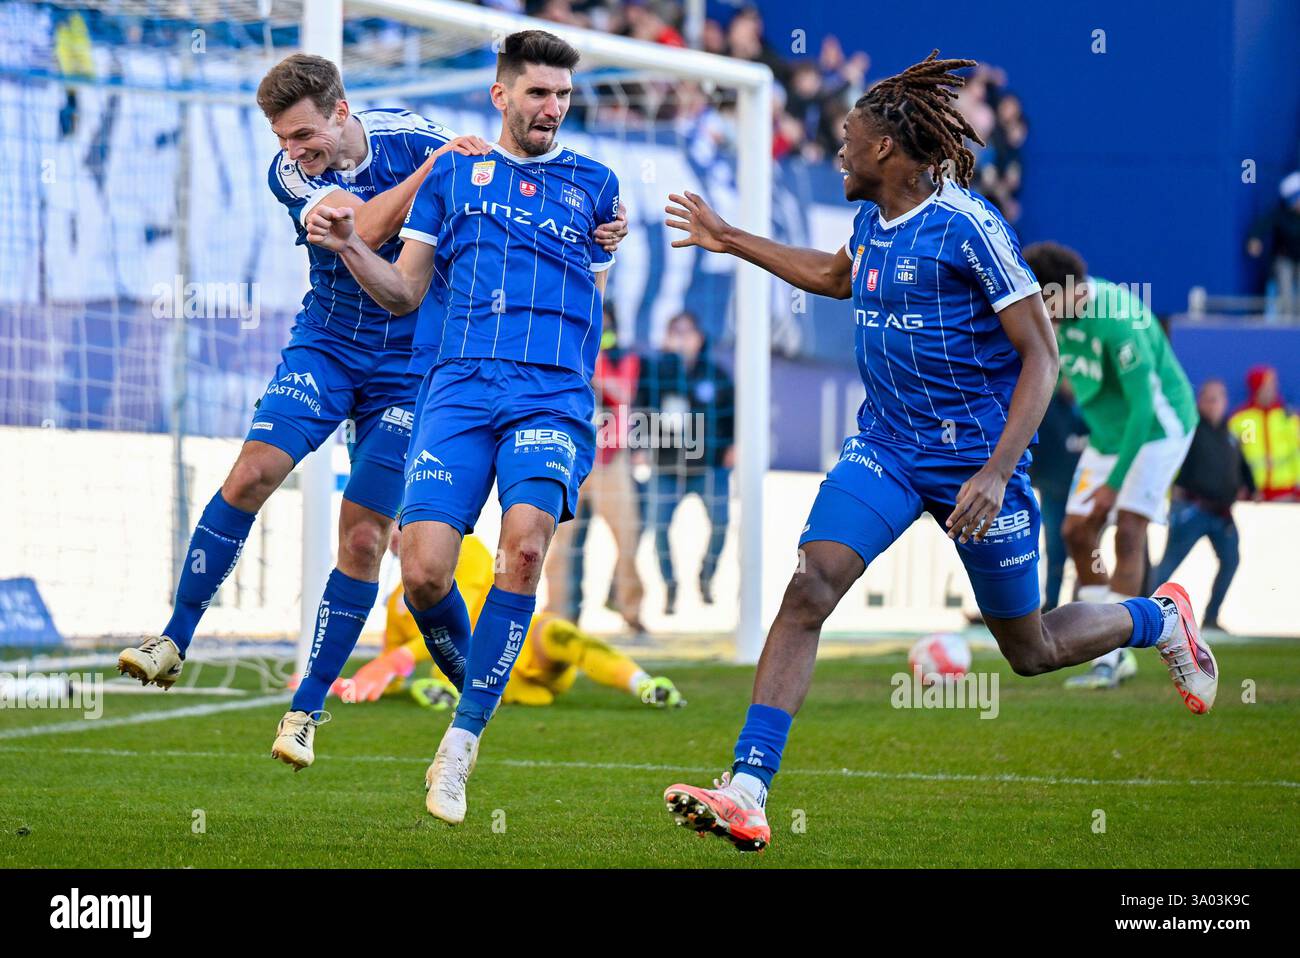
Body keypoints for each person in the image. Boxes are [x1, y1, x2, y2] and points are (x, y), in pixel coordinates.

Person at [657, 52, 1218, 852]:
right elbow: (837, 274)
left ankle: (1158, 618)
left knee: (1031, 649)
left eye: (848, 137)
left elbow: (1043, 355)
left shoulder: (968, 225)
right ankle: (747, 787)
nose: (838, 149)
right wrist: (730, 239)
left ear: (886, 149)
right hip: (885, 446)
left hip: (974, 467)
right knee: (811, 584)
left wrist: (995, 473)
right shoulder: (869, 218)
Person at [114, 53, 490, 759]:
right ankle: (173, 638)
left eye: (305, 134)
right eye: (284, 138)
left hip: (409, 370)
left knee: (362, 540)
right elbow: (364, 231)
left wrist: (600, 225)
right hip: (328, 345)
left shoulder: (415, 137)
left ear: (342, 112)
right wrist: (433, 170)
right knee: (252, 473)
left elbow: (499, 193)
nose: (295, 151)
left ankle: (306, 712)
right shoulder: (295, 175)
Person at [308, 30, 622, 825]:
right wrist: (350, 248)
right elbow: (405, 292)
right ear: (501, 96)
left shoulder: (598, 185)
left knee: (524, 545)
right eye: (537, 93)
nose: (552, 107)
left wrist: (608, 235)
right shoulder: (451, 174)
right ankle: (478, 679)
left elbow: (588, 295)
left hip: (550, 395)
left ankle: (460, 742)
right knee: (421, 575)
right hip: (455, 391)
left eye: (562, 94)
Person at [1022, 242, 1199, 691]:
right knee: (1076, 532)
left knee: (1128, 529)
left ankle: (1112, 655)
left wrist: (1114, 484)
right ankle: (1107, 633)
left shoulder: (1120, 318)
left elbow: (1143, 408)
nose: (1044, 310)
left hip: (1159, 429)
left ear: (1070, 290)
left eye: (1049, 300)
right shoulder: (1052, 312)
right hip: (1106, 435)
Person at [336, 531, 682, 708]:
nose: (396, 537)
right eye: (392, 527)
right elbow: (388, 675)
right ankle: (453, 693)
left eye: (402, 522)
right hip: (493, 675)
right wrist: (348, 684)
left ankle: (645, 684)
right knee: (455, 665)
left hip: (522, 641)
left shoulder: (466, 550)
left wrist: (403, 657)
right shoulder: (398, 601)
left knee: (560, 633)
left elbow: (463, 609)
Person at [542, 301, 646, 631]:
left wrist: (595, 360)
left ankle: (631, 610)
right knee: (559, 543)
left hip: (611, 461)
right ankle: (556, 612)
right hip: (570, 457)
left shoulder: (623, 358)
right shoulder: (562, 348)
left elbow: (622, 392)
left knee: (628, 537)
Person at [638, 310, 735, 614]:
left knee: (721, 524)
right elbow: (641, 409)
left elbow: (732, 413)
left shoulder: (716, 374)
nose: (681, 338)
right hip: (666, 465)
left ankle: (706, 577)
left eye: (687, 331)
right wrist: (640, 447)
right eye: (674, 331)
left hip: (708, 465)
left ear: (700, 337)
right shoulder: (655, 371)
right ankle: (670, 587)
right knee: (659, 527)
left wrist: (732, 445)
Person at [1150, 380, 1255, 633]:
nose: (1215, 404)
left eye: (1219, 398)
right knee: (1169, 563)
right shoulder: (1190, 429)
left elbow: (1241, 466)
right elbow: (1166, 458)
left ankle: (1211, 617)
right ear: (1200, 401)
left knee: (1231, 560)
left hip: (1221, 513)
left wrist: (1250, 485)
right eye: (1209, 398)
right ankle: (1141, 613)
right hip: (1191, 509)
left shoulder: (1229, 435)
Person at [1029, 378, 1088, 611]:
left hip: (1082, 493)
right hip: (1054, 491)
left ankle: (1085, 602)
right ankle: (1050, 603)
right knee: (1054, 549)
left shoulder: (1086, 410)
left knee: (1086, 548)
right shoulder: (1047, 409)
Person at [1228, 365, 1299, 501]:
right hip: (1252, 494)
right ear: (1256, 388)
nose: (1271, 390)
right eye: (1266, 386)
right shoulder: (1239, 419)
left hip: (1285, 492)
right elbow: (1232, 456)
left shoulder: (1289, 418)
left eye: (1273, 385)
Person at [1246, 171, 1300, 319]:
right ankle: (1287, 320)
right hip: (1285, 259)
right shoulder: (1280, 214)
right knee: (1285, 286)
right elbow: (1263, 225)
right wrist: (1254, 239)